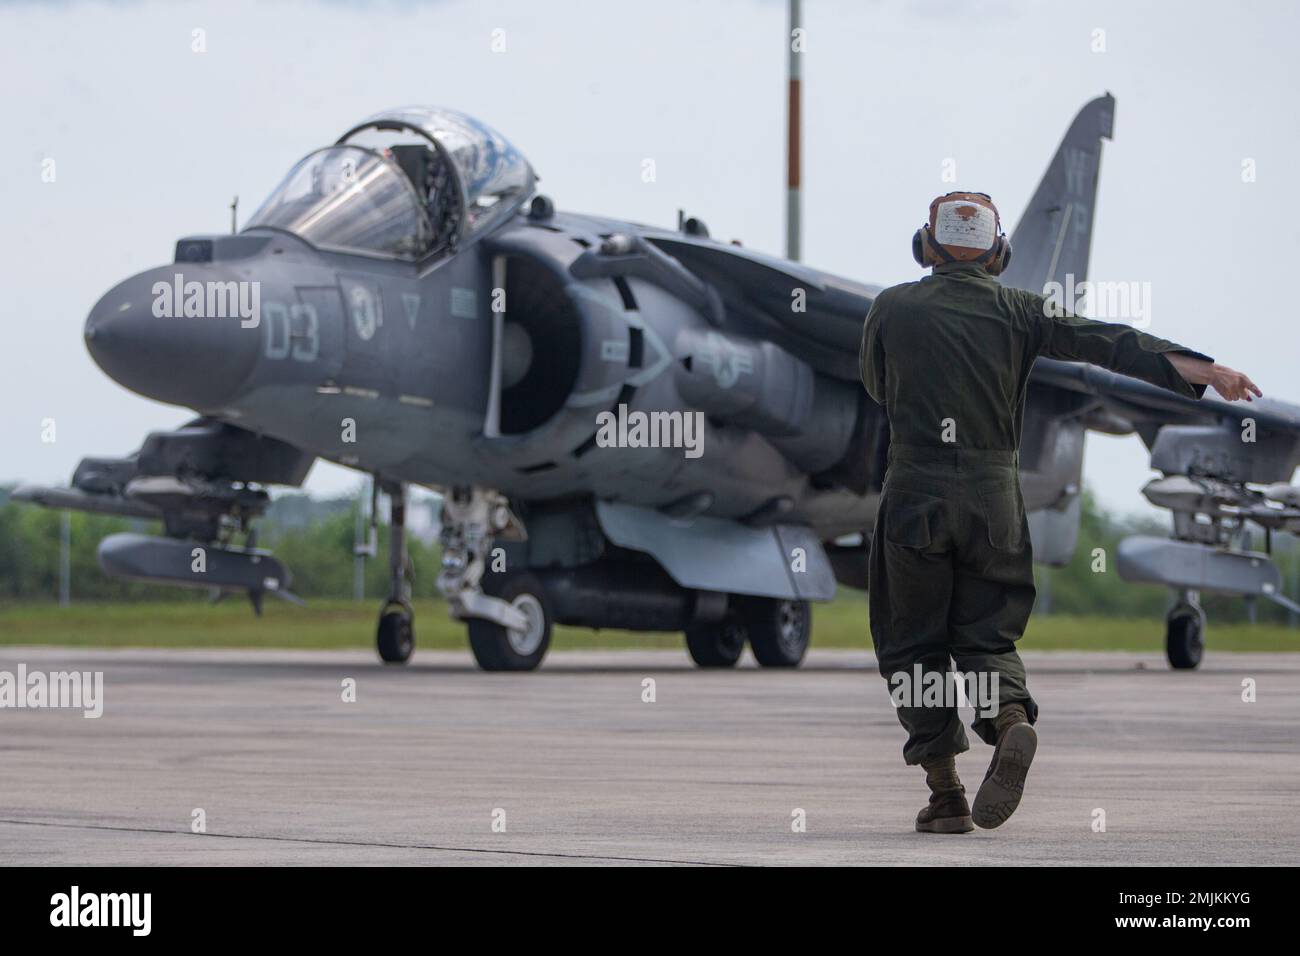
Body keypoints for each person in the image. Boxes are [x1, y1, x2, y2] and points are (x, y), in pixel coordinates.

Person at [859, 191, 1261, 834]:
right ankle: (1011, 721)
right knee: (986, 637)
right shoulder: (1021, 310)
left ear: (925, 247)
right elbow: (1108, 344)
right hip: (995, 497)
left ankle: (945, 794)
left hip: (915, 492)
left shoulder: (891, 307)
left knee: (911, 646)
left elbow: (877, 387)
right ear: (998, 253)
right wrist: (1205, 368)